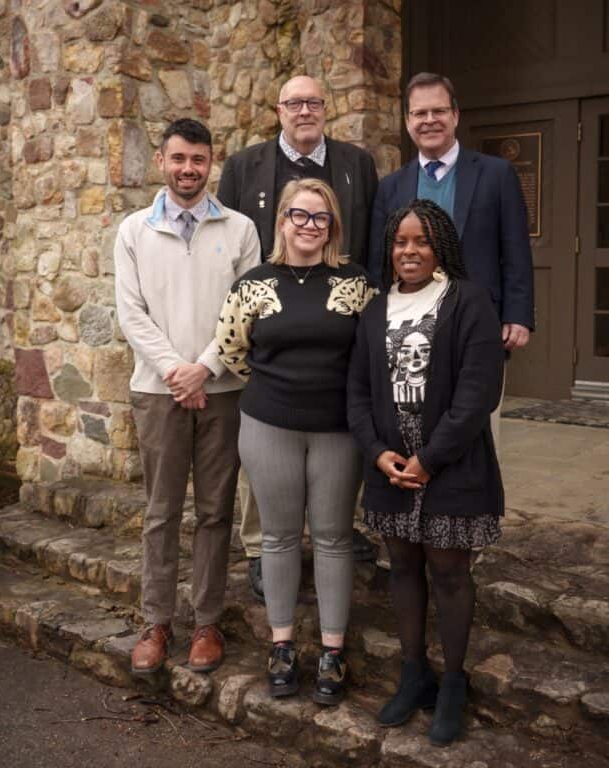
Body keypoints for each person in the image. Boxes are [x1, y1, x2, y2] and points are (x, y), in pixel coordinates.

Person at [348, 200, 504, 745]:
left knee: (450, 571)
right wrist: (377, 452)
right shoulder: (375, 311)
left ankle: (454, 683)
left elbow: (479, 392)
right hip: (392, 465)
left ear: (441, 248)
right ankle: (414, 674)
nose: (409, 251)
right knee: (403, 566)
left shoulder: (468, 301)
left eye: (421, 241)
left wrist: (430, 458)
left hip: (451, 460)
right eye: (400, 242)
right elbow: (357, 392)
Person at [218, 74, 380, 600]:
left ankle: (337, 530)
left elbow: (370, 243)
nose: (304, 111)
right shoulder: (243, 166)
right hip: (270, 325)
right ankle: (259, 547)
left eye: (313, 102)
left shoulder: (357, 164)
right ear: (279, 110)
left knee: (340, 447)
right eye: (294, 103)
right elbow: (230, 249)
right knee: (267, 439)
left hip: (336, 320)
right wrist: (263, 365)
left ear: (325, 108)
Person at [216, 178, 377, 705]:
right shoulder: (253, 284)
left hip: (338, 430)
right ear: (282, 220)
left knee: (333, 537)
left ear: (332, 227)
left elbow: (372, 353)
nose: (309, 225)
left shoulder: (356, 283)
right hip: (269, 426)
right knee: (280, 537)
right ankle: (281, 645)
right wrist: (276, 388)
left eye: (320, 217)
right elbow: (231, 348)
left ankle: (332, 652)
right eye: (299, 215)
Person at [114, 118, 260, 676]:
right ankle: (156, 622)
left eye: (198, 159)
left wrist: (205, 368)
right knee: (161, 511)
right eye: (178, 158)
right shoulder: (134, 231)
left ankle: (206, 622)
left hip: (223, 390)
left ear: (210, 163)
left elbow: (247, 310)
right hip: (158, 391)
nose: (188, 169)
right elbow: (132, 314)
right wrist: (178, 371)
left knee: (216, 511)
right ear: (161, 161)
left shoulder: (240, 229)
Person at [368, 72, 533, 450]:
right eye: (419, 113)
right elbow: (380, 261)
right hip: (409, 329)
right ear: (407, 121)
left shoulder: (496, 174)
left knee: (478, 429)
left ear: (455, 115)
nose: (429, 120)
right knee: (413, 425)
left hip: (477, 324)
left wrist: (519, 314)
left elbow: (515, 248)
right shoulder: (391, 186)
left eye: (438, 111)